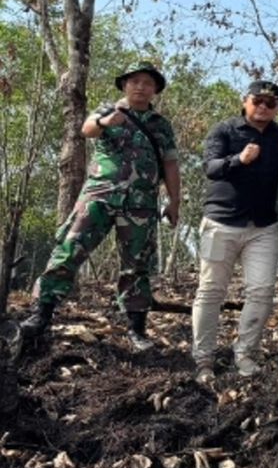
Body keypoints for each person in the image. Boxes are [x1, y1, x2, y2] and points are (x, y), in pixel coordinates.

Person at [19, 62, 181, 352]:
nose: (140, 87)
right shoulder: (108, 109)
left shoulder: (161, 125)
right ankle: (40, 315)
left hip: (141, 204)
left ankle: (136, 330)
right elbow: (87, 129)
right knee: (70, 247)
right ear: (124, 85)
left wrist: (174, 201)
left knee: (137, 265)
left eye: (147, 82)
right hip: (100, 195)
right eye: (134, 81)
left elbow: (170, 163)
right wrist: (106, 122)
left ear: (155, 89)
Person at [193, 80, 278, 381]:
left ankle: (246, 354)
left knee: (262, 291)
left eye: (271, 103)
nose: (264, 107)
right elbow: (210, 167)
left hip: (263, 227)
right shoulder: (224, 129)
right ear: (245, 101)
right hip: (220, 222)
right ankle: (204, 359)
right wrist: (239, 159)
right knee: (211, 291)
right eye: (258, 101)